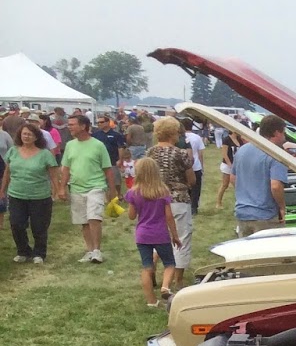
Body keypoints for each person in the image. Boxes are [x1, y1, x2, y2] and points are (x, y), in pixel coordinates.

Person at [60, 114, 119, 263]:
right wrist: (62, 188)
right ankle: (90, 250)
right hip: (76, 188)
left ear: (83, 126)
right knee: (84, 221)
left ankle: (97, 250)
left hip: (96, 186)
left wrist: (112, 191)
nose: (69, 127)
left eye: (72, 124)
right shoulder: (70, 145)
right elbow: (66, 168)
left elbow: (108, 169)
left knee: (94, 217)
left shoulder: (98, 145)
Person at [125, 157, 181, 307]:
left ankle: (151, 301)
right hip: (160, 233)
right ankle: (165, 287)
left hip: (142, 235)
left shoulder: (133, 193)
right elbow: (169, 216)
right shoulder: (162, 191)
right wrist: (175, 235)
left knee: (147, 267)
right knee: (169, 263)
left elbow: (131, 216)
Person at [149, 117, 196, 287]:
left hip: (155, 199)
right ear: (173, 133)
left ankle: (153, 262)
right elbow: (191, 179)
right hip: (178, 199)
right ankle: (178, 279)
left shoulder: (150, 153)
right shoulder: (180, 153)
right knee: (181, 237)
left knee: (160, 235)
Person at [4, 122, 61, 263]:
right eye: (24, 133)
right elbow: (7, 172)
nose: (26, 136)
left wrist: (58, 190)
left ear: (36, 137)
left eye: (30, 134)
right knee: (16, 224)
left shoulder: (45, 154)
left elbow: (53, 175)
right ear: (20, 135)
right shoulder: (13, 151)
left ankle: (39, 253)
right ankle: (23, 251)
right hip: (16, 194)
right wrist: (2, 190)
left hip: (39, 196)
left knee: (39, 226)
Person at [233, 114, 289, 236]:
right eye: (283, 133)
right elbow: (275, 186)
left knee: (247, 253)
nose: (284, 137)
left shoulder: (242, 150)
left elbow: (233, 178)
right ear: (277, 133)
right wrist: (282, 207)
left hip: (243, 213)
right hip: (265, 216)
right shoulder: (276, 154)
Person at [182, 118, 207, 207]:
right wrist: (202, 166)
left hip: (184, 166)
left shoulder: (181, 137)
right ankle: (194, 206)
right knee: (196, 188)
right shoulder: (197, 137)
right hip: (196, 166)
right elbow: (200, 154)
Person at [215, 128, 240, 209]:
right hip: (228, 165)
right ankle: (218, 203)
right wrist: (230, 165)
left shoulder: (240, 139)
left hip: (237, 165)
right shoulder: (226, 139)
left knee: (238, 185)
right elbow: (224, 154)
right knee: (225, 184)